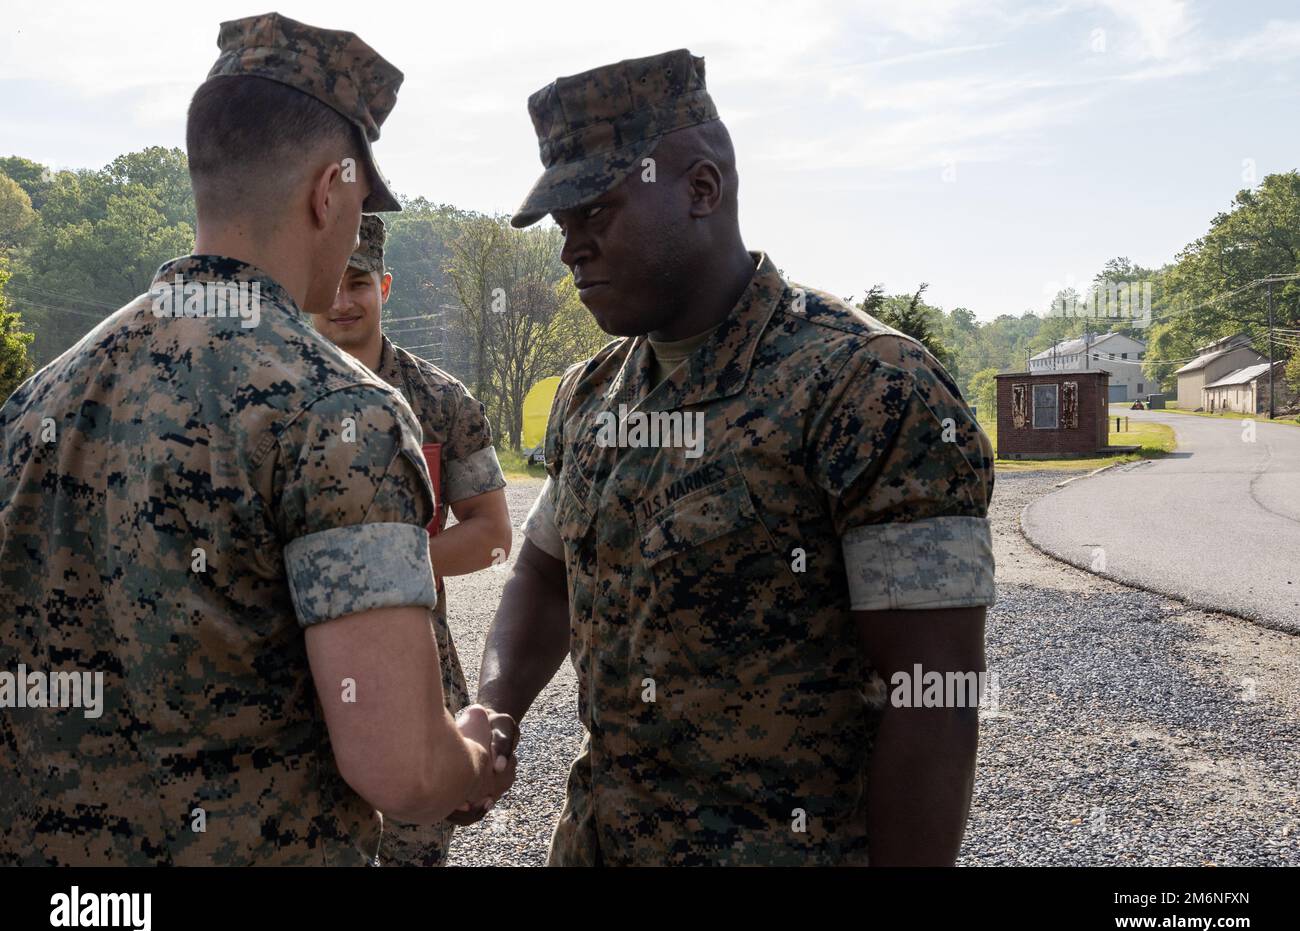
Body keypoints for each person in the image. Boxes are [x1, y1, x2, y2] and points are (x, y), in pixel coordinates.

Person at [0, 11, 511, 865]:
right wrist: (472, 757)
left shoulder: (36, 402)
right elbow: (402, 767)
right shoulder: (342, 414)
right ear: (329, 191)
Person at [473, 49, 996, 865]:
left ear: (701, 189)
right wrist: (496, 708)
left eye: (596, 213)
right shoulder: (593, 394)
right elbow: (543, 575)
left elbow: (933, 697)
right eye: (562, 226)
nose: (571, 249)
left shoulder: (867, 385)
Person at [310, 213, 513, 865]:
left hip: (418, 669)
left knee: (416, 841)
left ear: (385, 287)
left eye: (359, 282)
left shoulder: (441, 399)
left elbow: (492, 533)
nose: (343, 300)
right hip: (297, 677)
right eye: (329, 282)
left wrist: (382, 569)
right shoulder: (269, 399)